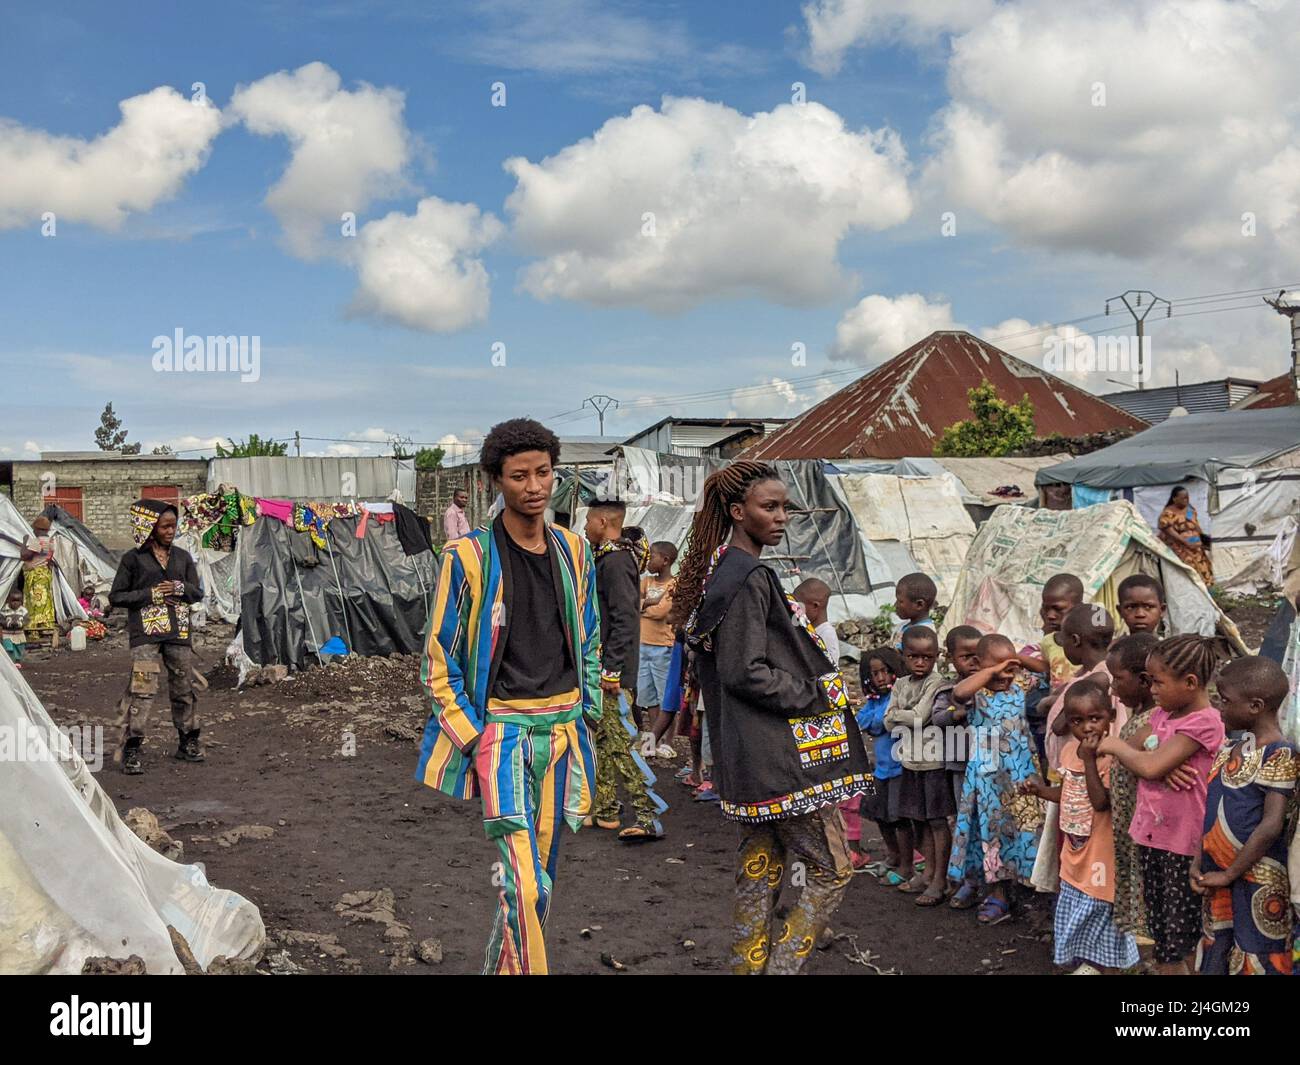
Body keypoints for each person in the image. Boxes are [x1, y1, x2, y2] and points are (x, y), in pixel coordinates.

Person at [671, 461, 873, 975]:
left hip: (747, 757)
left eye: (785, 507)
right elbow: (745, 672)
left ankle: (747, 967)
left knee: (760, 870)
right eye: (770, 507)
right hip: (777, 759)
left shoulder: (726, 570)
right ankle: (780, 967)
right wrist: (813, 692)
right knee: (832, 870)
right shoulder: (748, 577)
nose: (782, 516)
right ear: (738, 512)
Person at [415, 419, 600, 976]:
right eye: (519, 476)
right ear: (495, 480)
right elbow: (438, 664)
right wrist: (476, 738)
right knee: (521, 883)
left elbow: (588, 640)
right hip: (504, 736)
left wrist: (589, 711)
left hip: (564, 733)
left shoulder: (575, 551)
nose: (534, 486)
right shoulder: (466, 558)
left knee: (539, 881)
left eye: (543, 472)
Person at [1097, 634, 1228, 974]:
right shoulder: (1165, 716)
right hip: (1154, 838)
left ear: (1190, 682)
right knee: (1164, 931)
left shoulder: (1205, 722)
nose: (1151, 689)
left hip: (1184, 845)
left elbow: (1145, 761)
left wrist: (1118, 747)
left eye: (1157, 682)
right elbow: (1147, 753)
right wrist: (1157, 764)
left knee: (1176, 939)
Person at [1023, 682, 1140, 974]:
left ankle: (1107, 968)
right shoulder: (1070, 753)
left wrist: (1089, 761)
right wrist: (1039, 791)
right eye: (1077, 721)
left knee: (1100, 914)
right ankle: (1084, 965)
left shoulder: (1113, 757)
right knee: (1076, 908)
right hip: (1075, 849)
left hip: (1101, 853)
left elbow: (1101, 802)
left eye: (1094, 718)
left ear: (1110, 717)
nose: (1087, 727)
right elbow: (1069, 794)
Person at [1192, 656, 1297, 975]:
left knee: (1258, 955)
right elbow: (1209, 812)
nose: (1217, 706)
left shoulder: (1281, 754)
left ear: (1255, 705)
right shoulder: (1227, 751)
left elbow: (1270, 826)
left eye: (1224, 700)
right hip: (1217, 876)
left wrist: (1230, 873)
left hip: (1258, 881)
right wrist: (1198, 861)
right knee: (1218, 949)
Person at [584, 504, 666, 842]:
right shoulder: (610, 558)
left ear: (603, 522)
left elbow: (624, 619)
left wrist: (612, 670)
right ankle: (605, 809)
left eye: (589, 520)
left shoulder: (615, 562)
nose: (585, 526)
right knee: (603, 740)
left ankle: (648, 815)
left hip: (613, 672)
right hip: (607, 667)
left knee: (619, 743)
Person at [949, 634, 1043, 924]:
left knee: (1025, 831)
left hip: (1021, 772)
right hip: (988, 776)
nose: (1005, 675)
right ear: (978, 665)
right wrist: (989, 671)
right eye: (997, 668)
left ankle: (1025, 886)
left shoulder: (1020, 685)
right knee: (992, 834)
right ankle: (996, 892)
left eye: (1010, 668)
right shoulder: (978, 692)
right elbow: (958, 694)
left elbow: (1046, 669)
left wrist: (1016, 661)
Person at [108, 500, 205, 774]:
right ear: (149, 527)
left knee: (183, 687)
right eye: (164, 526)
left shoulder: (183, 558)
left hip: (178, 631)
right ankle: (132, 748)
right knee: (143, 688)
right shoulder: (132, 559)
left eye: (173, 526)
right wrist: (150, 594)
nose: (170, 531)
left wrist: (178, 587)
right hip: (146, 634)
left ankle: (188, 742)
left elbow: (197, 593)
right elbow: (116, 596)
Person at [884, 627, 952, 906]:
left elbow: (920, 716)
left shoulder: (938, 683)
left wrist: (901, 716)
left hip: (933, 762)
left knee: (937, 820)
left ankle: (939, 879)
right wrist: (904, 716)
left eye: (927, 657)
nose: (921, 662)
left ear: (936, 656)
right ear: (904, 656)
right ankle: (927, 874)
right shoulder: (901, 684)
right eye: (914, 656)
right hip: (909, 760)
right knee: (918, 819)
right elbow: (887, 722)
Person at [1105, 632, 1159, 941]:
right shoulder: (1139, 715)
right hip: (1129, 826)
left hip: (1146, 831)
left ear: (1142, 680)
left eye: (1117, 679)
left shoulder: (1154, 723)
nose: (1112, 687)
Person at [931, 625, 983, 898]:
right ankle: (967, 879)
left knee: (986, 822)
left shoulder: (991, 685)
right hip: (960, 766)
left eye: (979, 655)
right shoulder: (948, 690)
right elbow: (937, 718)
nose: (974, 662)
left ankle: (989, 878)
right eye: (966, 656)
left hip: (988, 767)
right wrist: (958, 713)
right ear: (951, 658)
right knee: (964, 821)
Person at [857, 647, 910, 881]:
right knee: (879, 814)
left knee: (899, 819)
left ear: (894, 672)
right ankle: (893, 854)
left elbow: (881, 723)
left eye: (885, 672)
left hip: (900, 768)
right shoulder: (875, 700)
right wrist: (877, 720)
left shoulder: (898, 696)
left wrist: (876, 720)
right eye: (875, 673)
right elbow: (863, 720)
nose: (880, 678)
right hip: (882, 768)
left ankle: (906, 864)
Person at [637, 540, 679, 758]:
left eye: (652, 556)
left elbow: (662, 611)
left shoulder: (674, 585)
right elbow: (635, 601)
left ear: (665, 560)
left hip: (663, 647)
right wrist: (646, 605)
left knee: (666, 696)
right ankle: (654, 740)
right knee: (649, 697)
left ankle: (668, 742)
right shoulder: (646, 581)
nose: (648, 559)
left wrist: (644, 607)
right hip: (643, 645)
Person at [1159, 485, 1213, 586]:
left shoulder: (1189, 510)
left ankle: (1206, 592)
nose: (1186, 500)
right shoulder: (1168, 513)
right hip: (1180, 548)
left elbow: (1194, 525)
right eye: (1183, 498)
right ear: (1174, 499)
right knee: (1189, 570)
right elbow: (1169, 531)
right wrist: (1186, 543)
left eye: (1187, 497)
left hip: (1196, 548)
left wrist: (1203, 538)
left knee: (1204, 569)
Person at [19, 515, 57, 645]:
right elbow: (49, 559)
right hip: (45, 574)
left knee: (35, 602)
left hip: (35, 575)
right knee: (44, 601)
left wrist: (24, 542)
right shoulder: (51, 541)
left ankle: (34, 629)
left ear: (37, 528)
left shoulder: (37, 541)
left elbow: (25, 556)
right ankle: (45, 626)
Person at [890, 572, 936, 650]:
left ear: (919, 605)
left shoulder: (923, 635)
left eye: (900, 601)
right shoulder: (904, 626)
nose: (895, 605)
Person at [2, 586, 28, 666]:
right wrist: (8, 624)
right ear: (8, 600)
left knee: (19, 647)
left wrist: (20, 624)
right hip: (7, 633)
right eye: (13, 601)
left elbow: (27, 620)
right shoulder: (4, 610)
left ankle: (17, 661)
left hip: (19, 634)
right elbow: (1, 620)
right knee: (9, 648)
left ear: (21, 601)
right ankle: (11, 662)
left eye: (18, 601)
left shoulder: (23, 611)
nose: (15, 603)